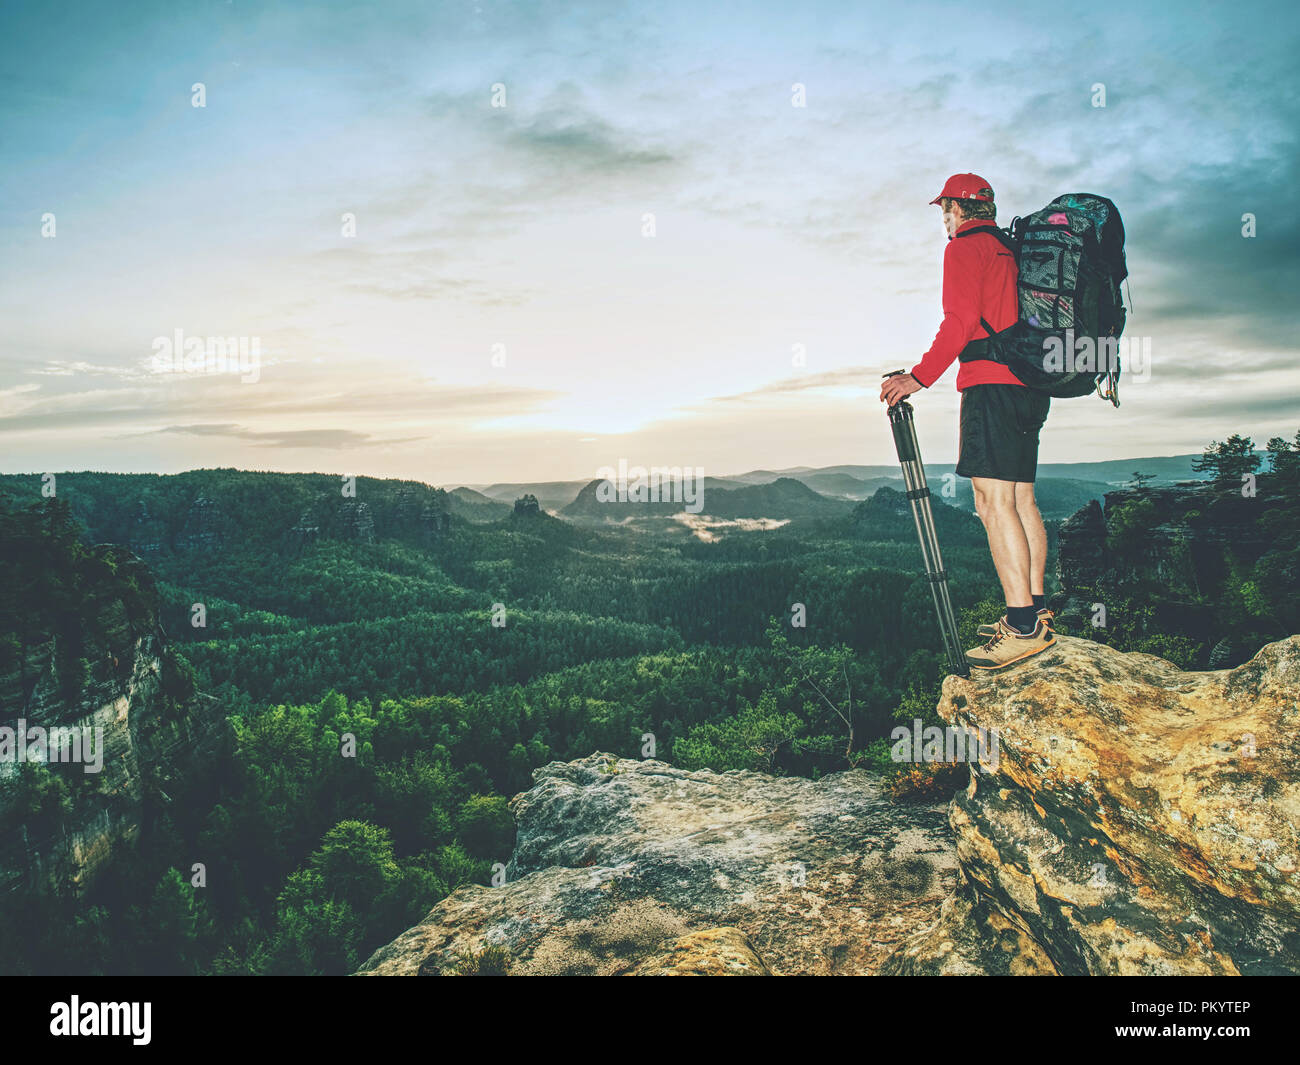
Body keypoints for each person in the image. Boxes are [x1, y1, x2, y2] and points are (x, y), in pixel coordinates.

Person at [879, 173, 1055, 671]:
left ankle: (1022, 627)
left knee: (991, 501)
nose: (944, 218)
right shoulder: (1010, 248)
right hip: (1029, 385)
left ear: (959, 209)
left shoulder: (963, 249)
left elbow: (959, 321)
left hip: (990, 384)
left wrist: (918, 377)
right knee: (1021, 498)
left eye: (945, 210)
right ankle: (1036, 611)